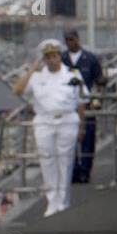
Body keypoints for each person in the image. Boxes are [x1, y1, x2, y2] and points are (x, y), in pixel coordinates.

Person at [13, 39, 86, 217]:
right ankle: (52, 202)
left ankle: (63, 201)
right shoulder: (37, 77)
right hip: (44, 121)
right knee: (47, 161)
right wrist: (32, 68)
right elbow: (17, 90)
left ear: (59, 56)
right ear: (43, 59)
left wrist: (82, 127)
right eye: (48, 57)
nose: (52, 60)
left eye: (54, 56)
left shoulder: (72, 75)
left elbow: (82, 101)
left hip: (67, 120)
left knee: (65, 161)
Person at [61, 28, 103, 184]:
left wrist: (98, 98)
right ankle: (73, 172)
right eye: (67, 40)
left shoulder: (90, 59)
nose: (70, 43)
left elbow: (99, 80)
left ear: (78, 39)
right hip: (67, 105)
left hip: (86, 103)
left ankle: (85, 171)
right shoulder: (62, 59)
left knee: (87, 138)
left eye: (72, 39)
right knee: (68, 139)